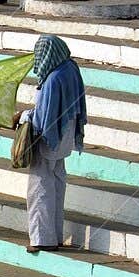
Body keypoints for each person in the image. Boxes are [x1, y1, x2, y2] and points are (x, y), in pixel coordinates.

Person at [20, 35, 86, 255]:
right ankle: (54, 235)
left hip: (49, 140)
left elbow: (42, 119)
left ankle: (42, 239)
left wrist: (22, 117)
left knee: (40, 188)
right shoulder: (71, 68)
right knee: (57, 184)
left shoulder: (53, 79)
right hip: (66, 136)